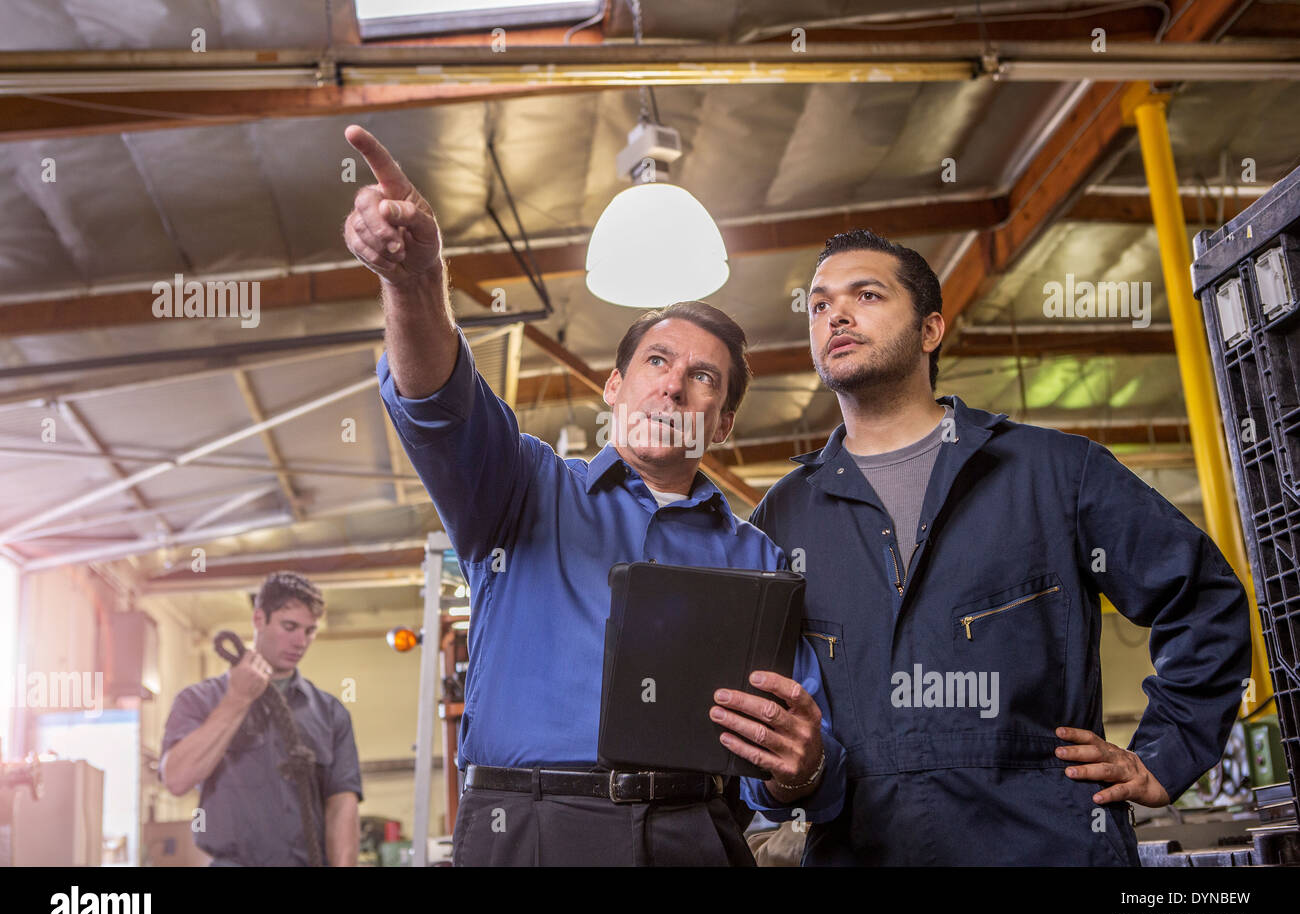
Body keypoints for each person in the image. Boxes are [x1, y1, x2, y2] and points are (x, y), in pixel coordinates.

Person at [342, 124, 828, 866]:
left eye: (704, 377)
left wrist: (804, 770)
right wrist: (413, 282)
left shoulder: (757, 558)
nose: (672, 381)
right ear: (614, 387)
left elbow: (781, 744)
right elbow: (440, 401)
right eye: (657, 360)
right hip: (532, 829)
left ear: (723, 423)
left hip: (696, 832)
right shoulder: (523, 487)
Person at [715, 228, 1253, 865]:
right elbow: (758, 707)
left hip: (1044, 846)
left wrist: (1165, 755)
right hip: (863, 850)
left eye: (866, 294)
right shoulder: (782, 516)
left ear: (930, 329)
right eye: (819, 302)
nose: (836, 313)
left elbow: (1204, 598)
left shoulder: (1053, 472)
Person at [160, 571, 362, 866]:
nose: (300, 641)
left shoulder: (330, 714)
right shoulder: (198, 701)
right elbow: (177, 779)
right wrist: (238, 699)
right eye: (289, 626)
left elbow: (341, 803)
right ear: (259, 619)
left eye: (309, 631)